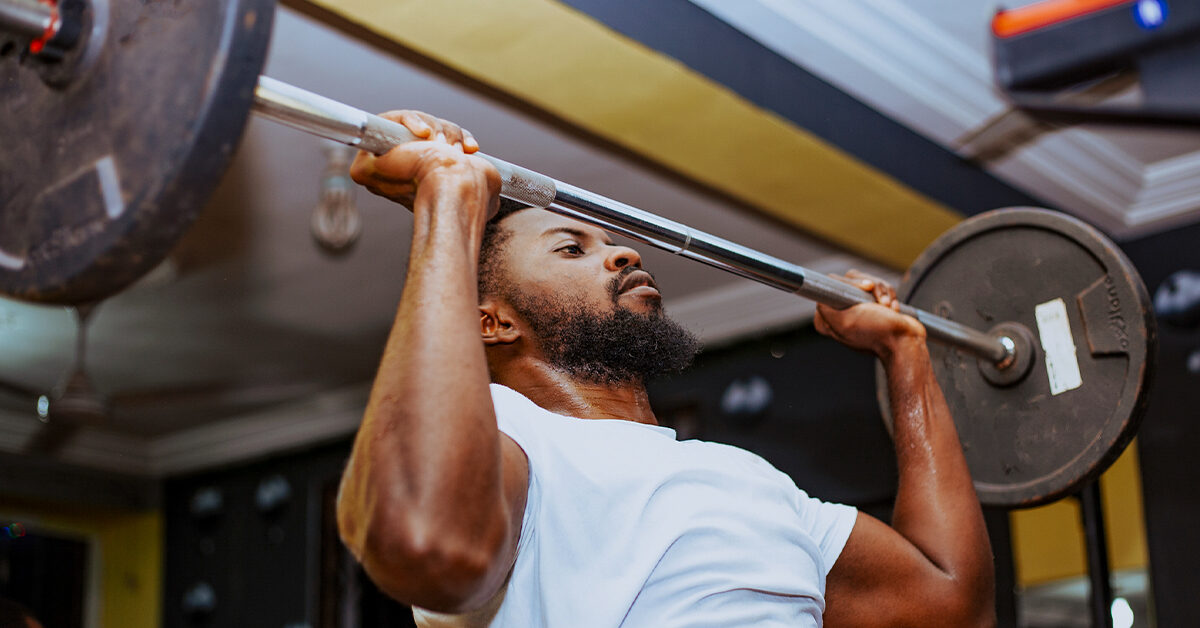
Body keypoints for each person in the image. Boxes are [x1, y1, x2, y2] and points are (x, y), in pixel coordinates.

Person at [336, 111, 995, 627]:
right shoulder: (513, 439)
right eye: (572, 247)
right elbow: (422, 539)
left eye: (614, 243)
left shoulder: (746, 481)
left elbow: (950, 606)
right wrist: (448, 205)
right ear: (492, 321)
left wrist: (905, 353)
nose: (622, 254)